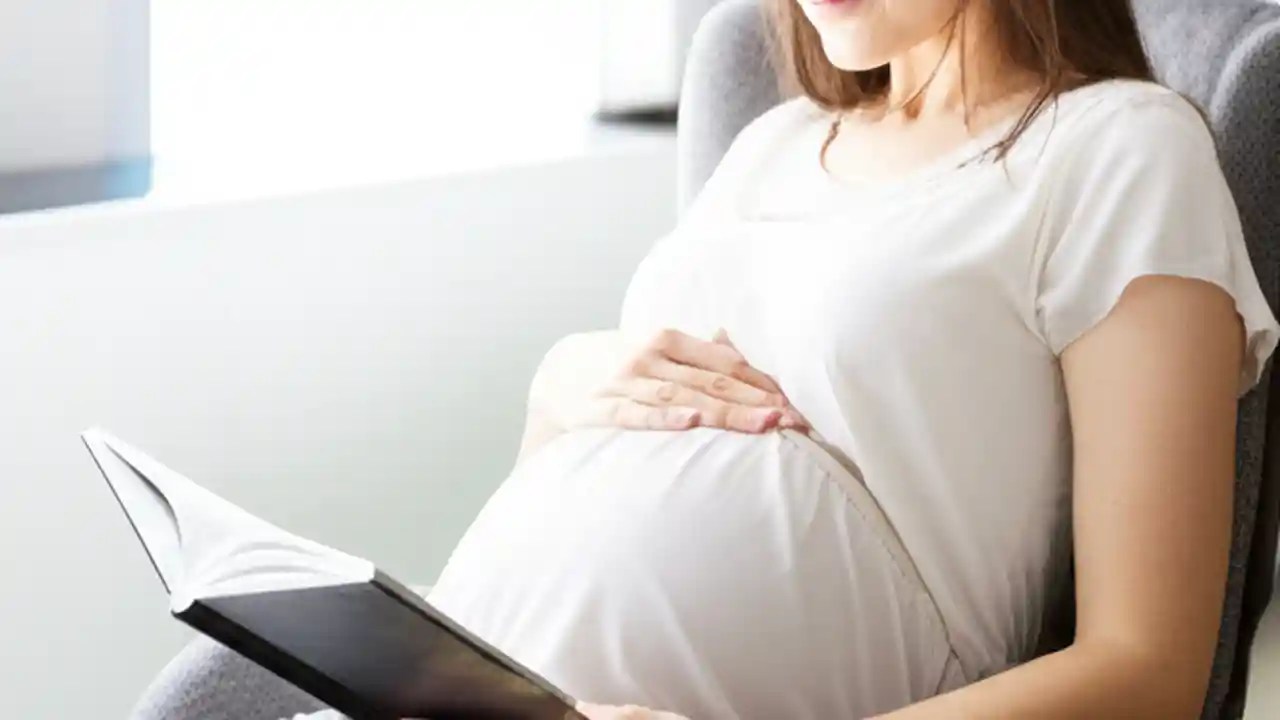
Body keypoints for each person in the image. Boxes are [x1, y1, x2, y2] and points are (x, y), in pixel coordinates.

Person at [308, 0, 1280, 718]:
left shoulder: (1117, 150)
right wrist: (558, 392)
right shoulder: (773, 145)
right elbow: (590, 504)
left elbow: (1150, 670)